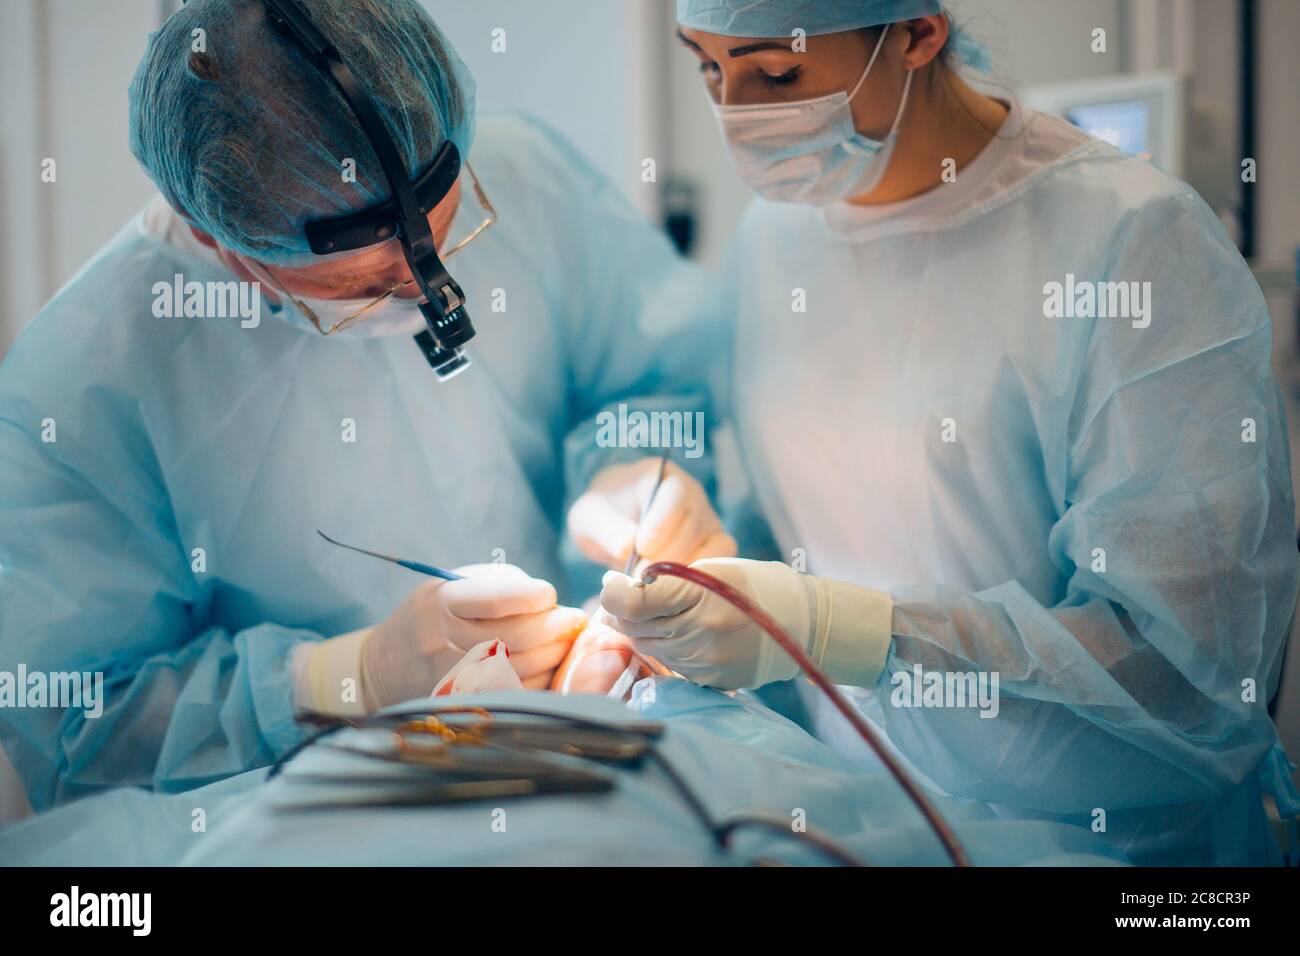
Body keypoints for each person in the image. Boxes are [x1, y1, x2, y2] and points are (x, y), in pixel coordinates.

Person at [590, 0, 1300, 864]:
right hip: (858, 820)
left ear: (919, 33)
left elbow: (1185, 689)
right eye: (708, 67)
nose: (737, 110)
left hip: (1106, 847)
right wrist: (698, 559)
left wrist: (836, 629)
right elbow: (812, 517)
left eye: (777, 73)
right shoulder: (774, 237)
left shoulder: (1131, 240)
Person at [0, 0, 723, 811]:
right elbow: (76, 724)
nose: (426, 297)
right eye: (365, 289)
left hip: (585, 742)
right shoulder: (87, 383)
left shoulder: (524, 175)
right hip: (317, 815)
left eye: (448, 244)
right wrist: (343, 677)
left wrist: (638, 466)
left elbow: (653, 368)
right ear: (223, 244)